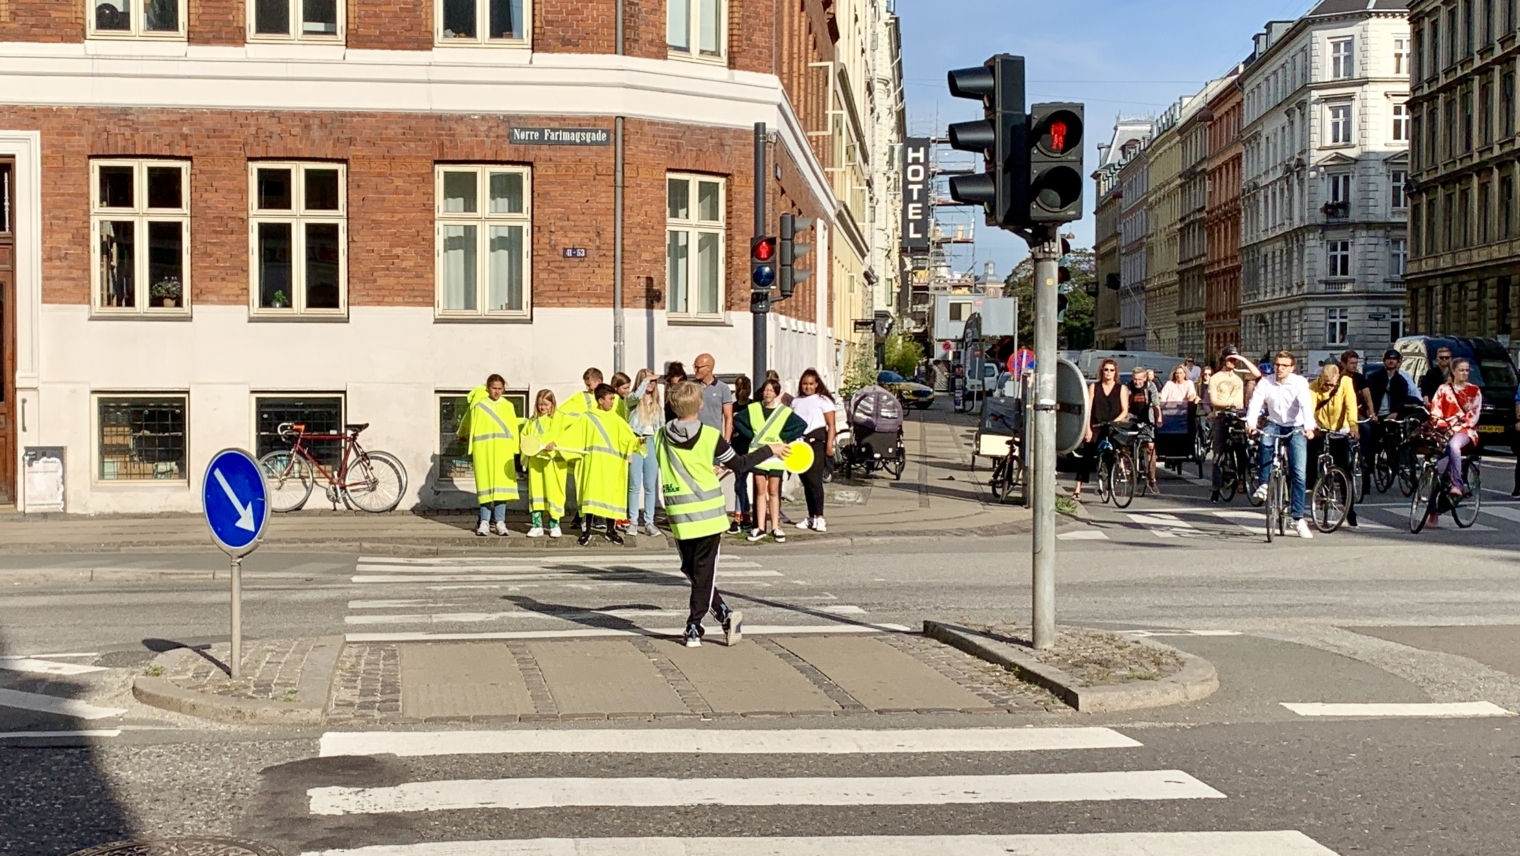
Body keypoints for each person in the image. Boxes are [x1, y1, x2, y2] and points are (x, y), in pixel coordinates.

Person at [656, 380, 789, 648]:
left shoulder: (661, 435)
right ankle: (694, 625)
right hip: (707, 516)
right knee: (701, 573)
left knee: (694, 571)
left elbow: (678, 465)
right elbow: (739, 464)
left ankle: (721, 614)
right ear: (701, 405)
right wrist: (769, 450)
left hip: (679, 517)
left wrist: (707, 469)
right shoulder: (709, 435)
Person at [1246, 351, 1317, 539]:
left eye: (1284, 365)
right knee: (1265, 442)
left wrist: (1309, 427)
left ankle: (1297, 517)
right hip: (1274, 422)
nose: (1280, 368)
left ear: (1292, 368)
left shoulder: (1299, 383)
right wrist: (1250, 424)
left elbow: (1305, 405)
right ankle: (1264, 484)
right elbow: (1255, 403)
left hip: (1296, 425)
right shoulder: (1266, 382)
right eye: (1277, 364)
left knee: (1299, 472)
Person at [735, 378, 807, 543]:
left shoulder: (783, 411)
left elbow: (801, 426)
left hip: (776, 456)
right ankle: (760, 527)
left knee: (774, 490)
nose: (767, 393)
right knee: (760, 490)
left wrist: (783, 438)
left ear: (776, 393)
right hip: (758, 454)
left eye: (770, 390)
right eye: (765, 390)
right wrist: (752, 436)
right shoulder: (753, 408)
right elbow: (738, 421)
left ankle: (776, 526)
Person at [573, 383, 643, 546]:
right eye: (610, 399)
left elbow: (627, 438)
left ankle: (611, 530)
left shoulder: (616, 420)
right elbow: (573, 436)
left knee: (610, 497)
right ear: (600, 400)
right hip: (594, 465)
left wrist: (638, 441)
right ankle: (587, 531)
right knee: (591, 497)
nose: (613, 402)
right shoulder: (587, 418)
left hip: (612, 466)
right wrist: (555, 444)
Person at [461, 374, 521, 537]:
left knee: (501, 489)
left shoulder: (508, 406)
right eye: (494, 388)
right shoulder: (479, 406)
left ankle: (500, 522)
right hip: (484, 451)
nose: (496, 391)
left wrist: (515, 450)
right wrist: (463, 434)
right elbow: (468, 421)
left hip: (503, 451)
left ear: (504, 389)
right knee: (485, 487)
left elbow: (513, 428)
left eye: (499, 388)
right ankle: (484, 522)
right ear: (487, 388)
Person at [1427, 359, 1483, 525]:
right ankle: (1433, 511)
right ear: (1453, 371)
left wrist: (1458, 425)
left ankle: (1457, 484)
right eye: (1461, 370)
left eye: (1467, 370)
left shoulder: (1474, 391)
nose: (1464, 373)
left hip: (1465, 431)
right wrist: (1440, 423)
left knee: (1454, 446)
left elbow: (1474, 414)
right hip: (1445, 431)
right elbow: (1435, 410)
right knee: (1439, 469)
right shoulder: (1443, 389)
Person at [1308, 362, 1360, 527]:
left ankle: (1349, 509)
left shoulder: (1345, 383)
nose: (1327, 387)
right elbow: (1309, 407)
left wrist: (1353, 427)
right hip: (1320, 428)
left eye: (1331, 384)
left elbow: (1351, 406)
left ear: (1338, 378)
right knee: (1310, 457)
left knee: (1344, 469)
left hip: (1340, 430)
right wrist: (1310, 426)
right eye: (1325, 383)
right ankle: (1313, 486)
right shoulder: (1314, 386)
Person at [693, 353, 738, 531]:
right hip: (696, 441)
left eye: (698, 367)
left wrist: (725, 441)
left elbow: (728, 417)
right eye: (694, 366)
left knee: (713, 480)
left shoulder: (722, 389)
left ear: (709, 368)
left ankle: (714, 516)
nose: (695, 370)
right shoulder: (693, 388)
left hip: (714, 441)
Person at [523, 389, 577, 538]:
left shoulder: (560, 418)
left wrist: (556, 443)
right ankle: (537, 525)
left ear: (552, 404)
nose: (542, 408)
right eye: (540, 405)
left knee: (554, 493)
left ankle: (555, 524)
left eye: (546, 405)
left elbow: (570, 433)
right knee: (537, 493)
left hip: (554, 463)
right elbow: (525, 439)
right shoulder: (532, 421)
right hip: (536, 461)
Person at [1075, 359, 1130, 500]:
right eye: (1106, 369)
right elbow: (1088, 409)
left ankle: (1110, 484)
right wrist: (1087, 428)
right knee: (1087, 455)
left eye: (1112, 370)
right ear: (1102, 371)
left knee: (1113, 453)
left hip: (1112, 426)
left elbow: (1125, 410)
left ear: (1115, 372)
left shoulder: (1121, 389)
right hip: (1096, 425)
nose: (1109, 373)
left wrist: (1115, 422)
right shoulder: (1094, 387)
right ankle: (1077, 490)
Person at [791, 368, 838, 532]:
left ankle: (820, 516)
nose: (808, 387)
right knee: (805, 481)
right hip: (799, 444)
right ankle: (811, 516)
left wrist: (829, 445)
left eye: (811, 384)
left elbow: (831, 425)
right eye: (805, 384)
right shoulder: (796, 402)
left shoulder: (823, 400)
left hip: (816, 442)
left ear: (817, 384)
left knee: (815, 481)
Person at [1207, 348, 1253, 502]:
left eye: (1234, 359)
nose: (1233, 362)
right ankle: (1215, 488)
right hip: (1221, 415)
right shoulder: (1215, 378)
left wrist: (1242, 358)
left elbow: (1257, 374)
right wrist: (1230, 403)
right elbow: (1214, 401)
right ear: (1223, 360)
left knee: (1243, 448)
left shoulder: (1239, 374)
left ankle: (1241, 479)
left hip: (1237, 416)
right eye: (1230, 359)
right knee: (1218, 453)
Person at [625, 370, 663, 537]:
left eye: (653, 381)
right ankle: (633, 521)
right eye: (648, 381)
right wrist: (645, 380)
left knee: (650, 485)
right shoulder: (633, 400)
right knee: (634, 484)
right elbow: (633, 397)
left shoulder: (657, 404)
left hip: (651, 442)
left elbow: (661, 429)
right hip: (636, 441)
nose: (651, 384)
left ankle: (649, 521)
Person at [1339, 350, 1375, 495]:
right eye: (1351, 363)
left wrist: (1372, 412)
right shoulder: (1339, 378)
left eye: (1355, 363)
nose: (1354, 366)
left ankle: (1363, 455)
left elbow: (1367, 397)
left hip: (1356, 411)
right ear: (1344, 364)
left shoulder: (1360, 378)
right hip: (1341, 412)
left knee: (1366, 428)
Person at [1127, 365, 1162, 494]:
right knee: (1125, 444)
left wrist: (1159, 419)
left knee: (1151, 448)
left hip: (1147, 418)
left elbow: (1156, 405)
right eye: (1135, 379)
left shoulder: (1150, 387)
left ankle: (1152, 479)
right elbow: (1125, 403)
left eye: (1140, 379)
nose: (1137, 382)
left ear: (1145, 378)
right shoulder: (1128, 387)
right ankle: (1127, 471)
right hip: (1132, 418)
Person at [732, 375, 754, 532]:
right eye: (740, 388)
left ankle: (739, 516)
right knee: (740, 482)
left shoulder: (753, 406)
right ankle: (745, 514)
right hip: (736, 447)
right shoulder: (733, 406)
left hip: (749, 447)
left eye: (745, 388)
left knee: (740, 482)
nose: (743, 392)